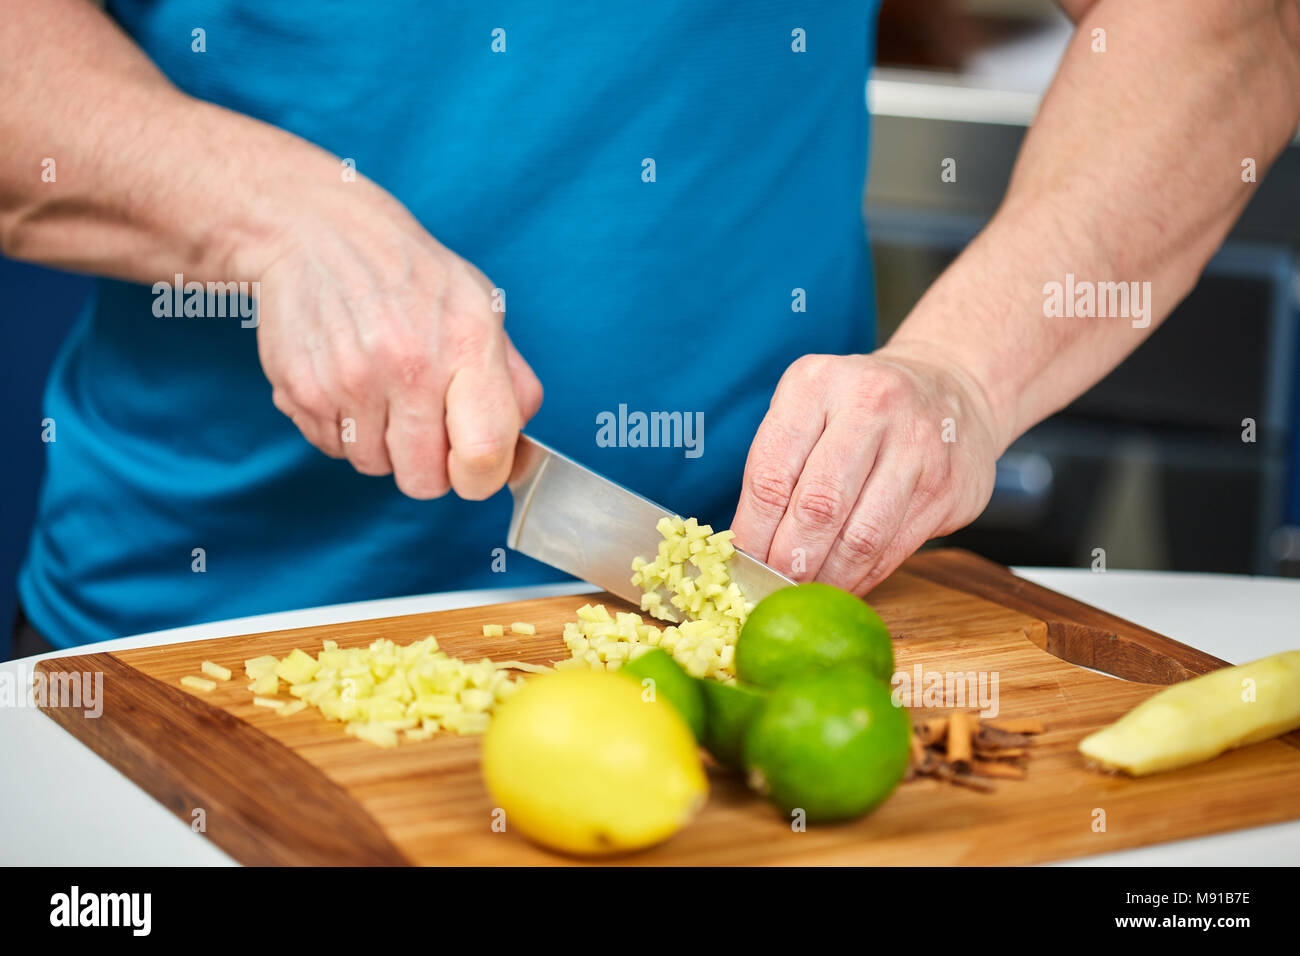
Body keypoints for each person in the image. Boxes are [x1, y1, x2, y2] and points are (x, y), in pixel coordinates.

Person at [3, 1, 1298, 656]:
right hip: (175, 647)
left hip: (738, 651)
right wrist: (270, 215)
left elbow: (1226, 21)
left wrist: (959, 372)